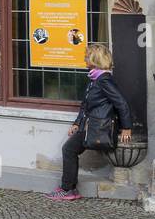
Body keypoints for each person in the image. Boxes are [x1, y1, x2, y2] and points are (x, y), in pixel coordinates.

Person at [48, 43, 132, 202]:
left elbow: (122, 103)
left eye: (87, 56)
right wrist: (76, 124)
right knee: (69, 150)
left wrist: (126, 128)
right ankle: (69, 188)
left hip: (97, 127)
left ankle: (67, 189)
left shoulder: (104, 80)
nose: (84, 58)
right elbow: (85, 105)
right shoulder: (95, 78)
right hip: (88, 125)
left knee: (68, 149)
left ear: (94, 59)